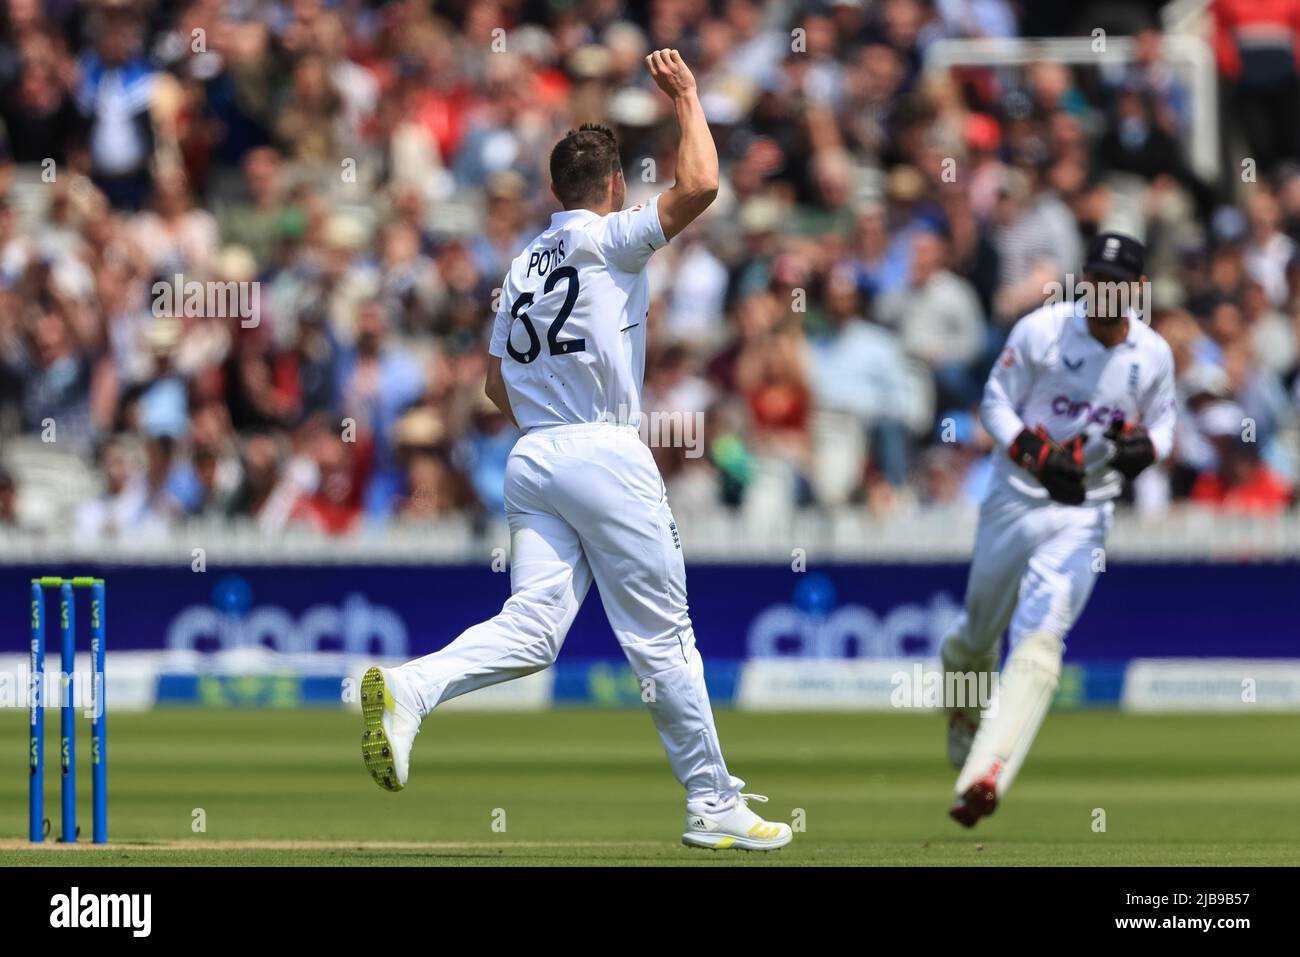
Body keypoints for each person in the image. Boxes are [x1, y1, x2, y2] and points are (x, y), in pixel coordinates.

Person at [359, 50, 792, 852]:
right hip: (603, 450)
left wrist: (550, 408)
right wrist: (690, 98)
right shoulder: (609, 240)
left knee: (532, 631)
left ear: (553, 189)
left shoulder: (523, 263)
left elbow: (494, 385)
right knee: (664, 637)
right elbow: (700, 187)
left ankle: (411, 690)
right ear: (615, 186)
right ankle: (711, 800)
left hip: (533, 457)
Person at [940, 233, 1177, 827]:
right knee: (976, 636)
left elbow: (1166, 423)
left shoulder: (1152, 355)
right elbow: (995, 401)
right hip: (1014, 499)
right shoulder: (1042, 331)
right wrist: (1032, 452)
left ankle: (986, 772)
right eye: (1095, 278)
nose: (1104, 290)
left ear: (1138, 291)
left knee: (1041, 640)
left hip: (1084, 512)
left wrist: (1143, 449)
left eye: (1117, 282)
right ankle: (965, 709)